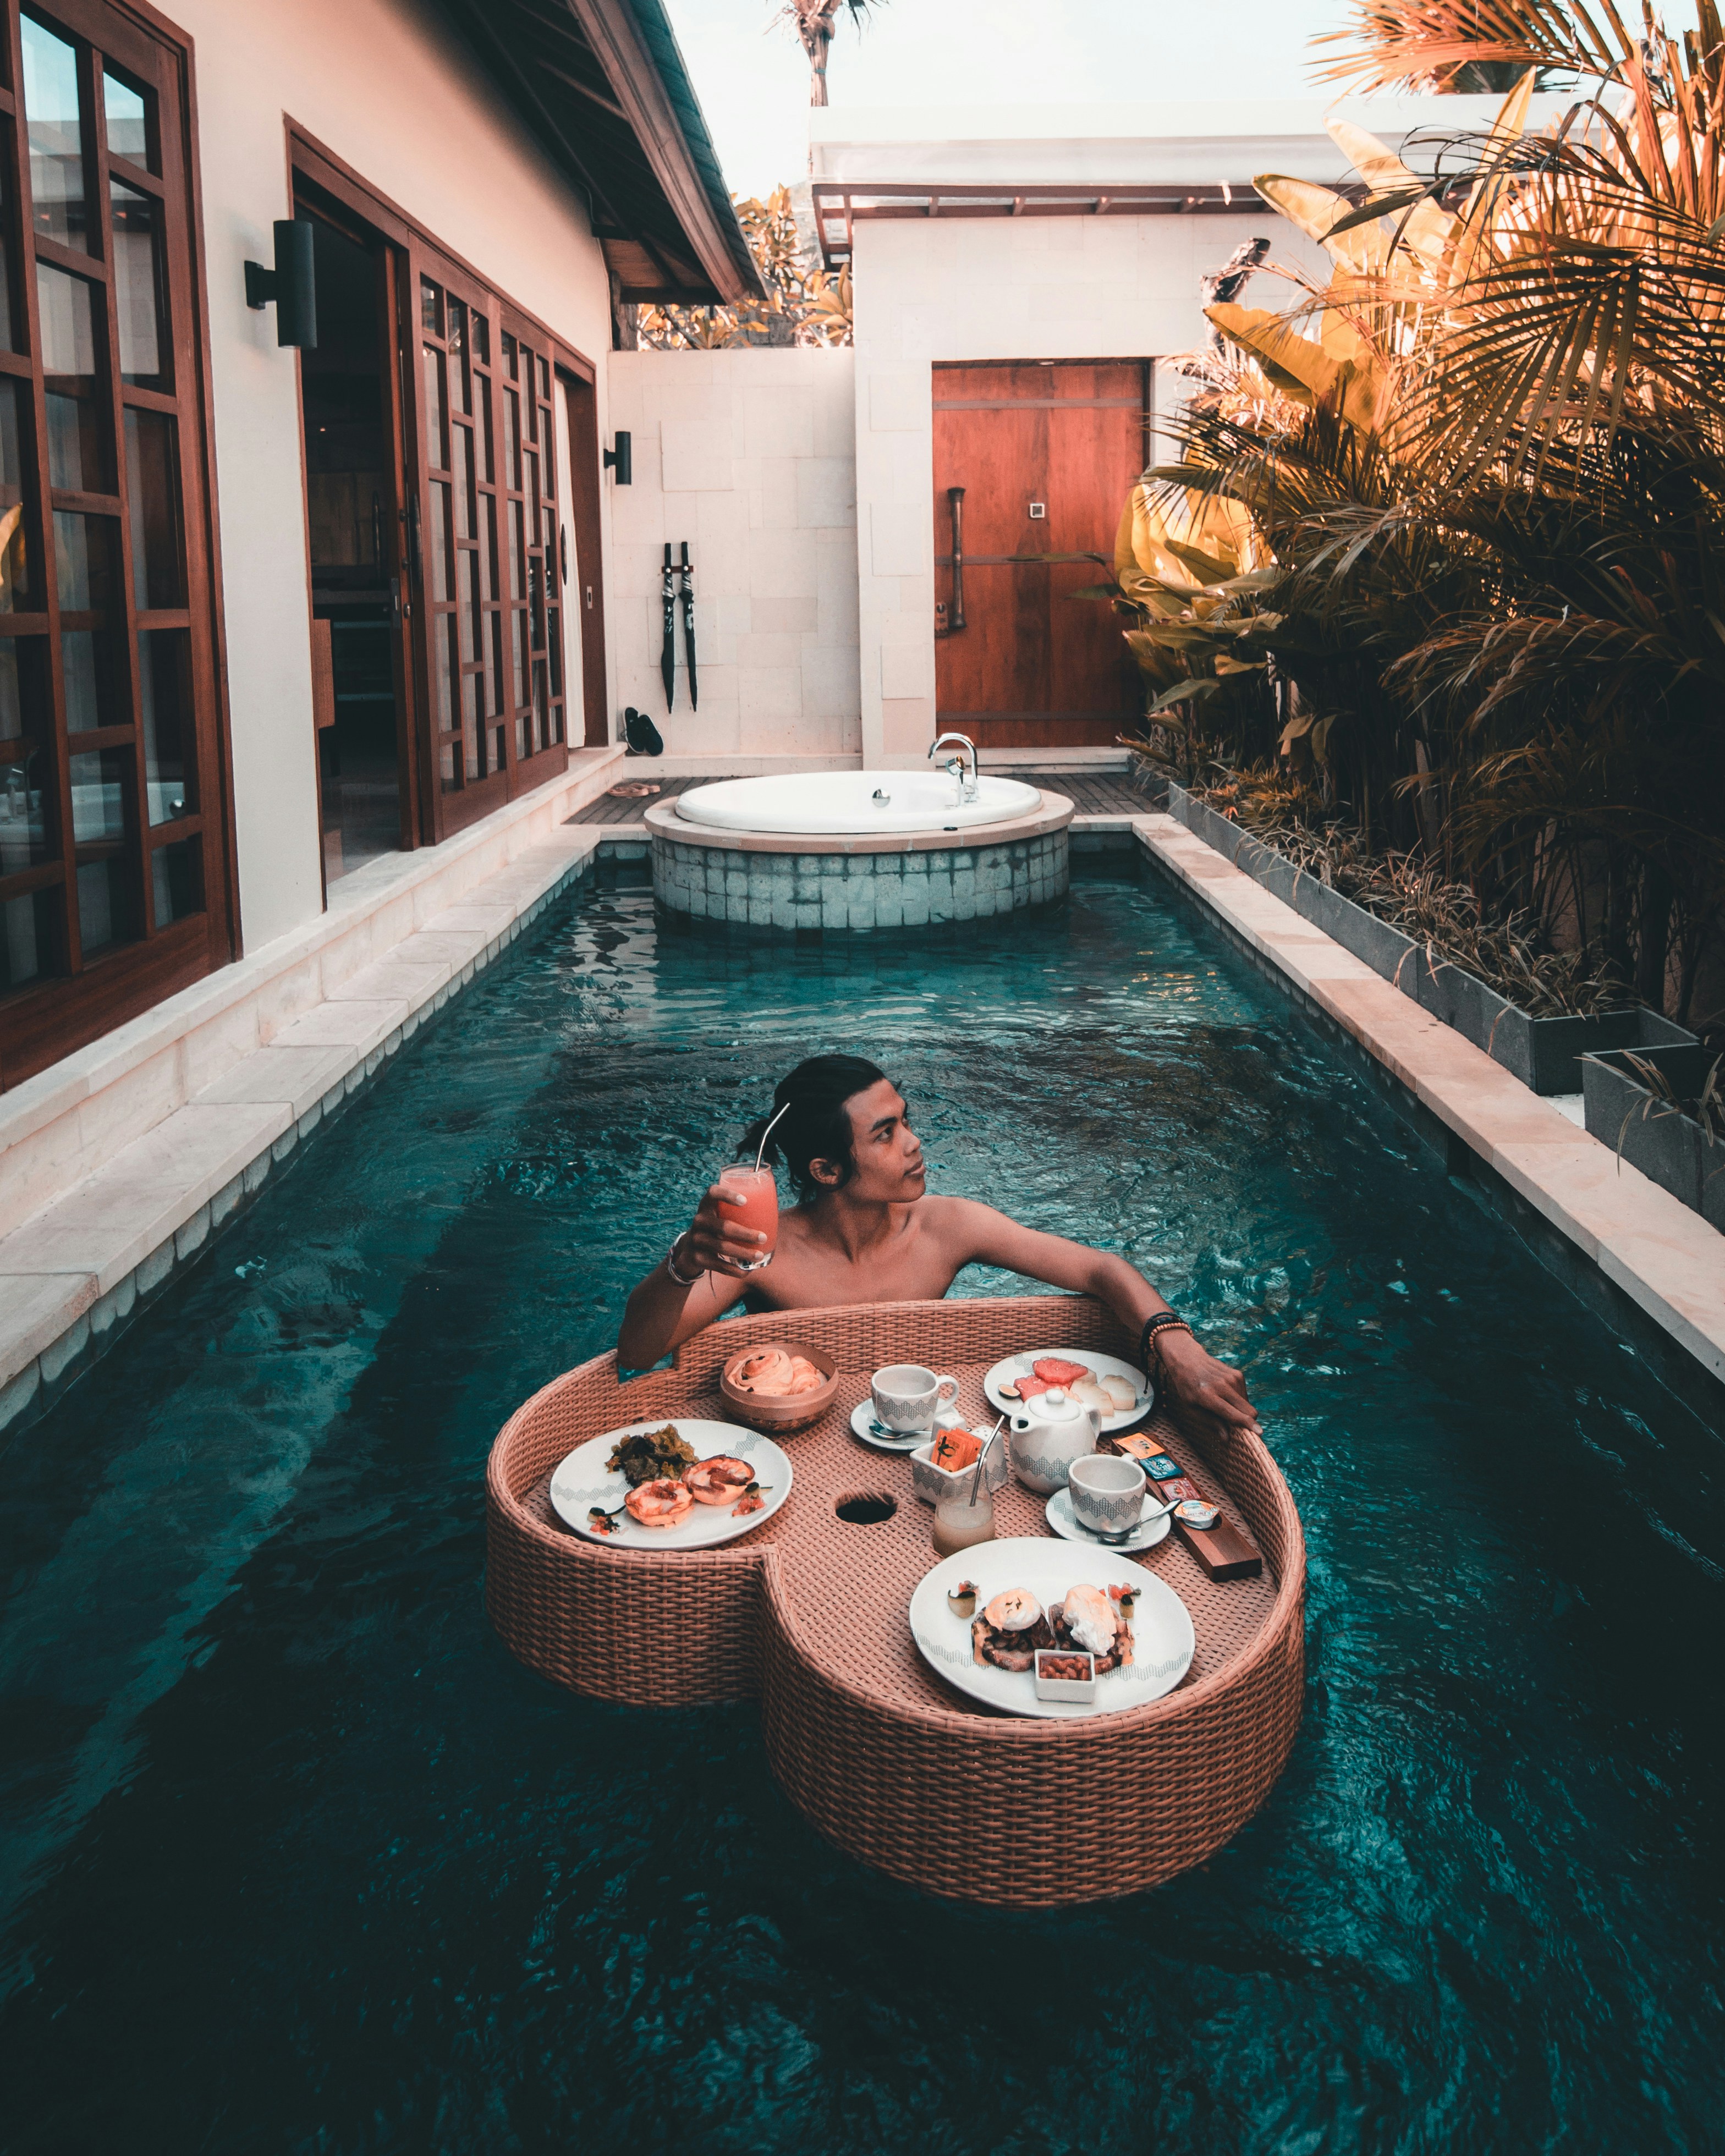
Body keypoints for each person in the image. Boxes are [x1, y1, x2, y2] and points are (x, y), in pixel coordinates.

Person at [618, 1054, 1256, 1434]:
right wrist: (683, 1264)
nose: (915, 1143)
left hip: (924, 1431)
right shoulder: (765, 1250)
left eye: (907, 1120)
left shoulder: (946, 1227)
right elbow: (639, 1352)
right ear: (826, 1170)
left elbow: (1098, 1267)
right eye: (886, 1133)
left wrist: (1179, 1348)